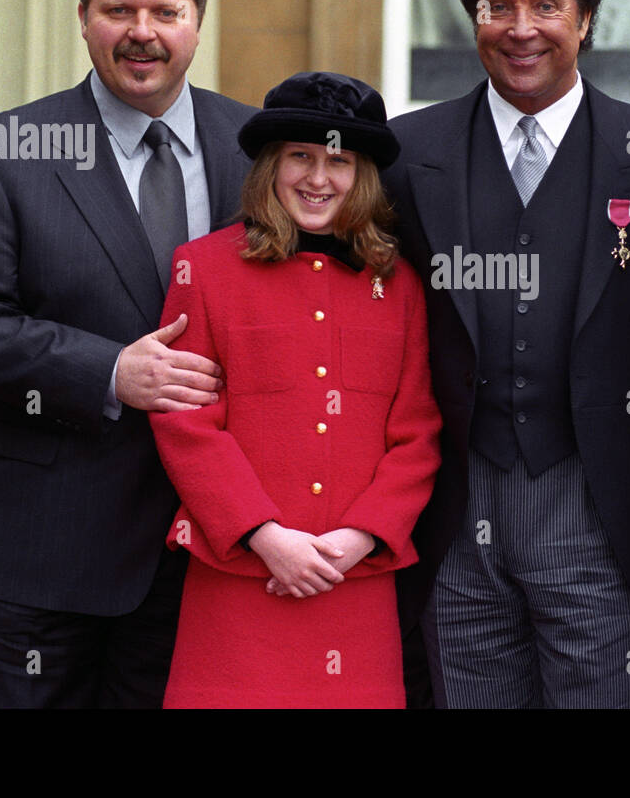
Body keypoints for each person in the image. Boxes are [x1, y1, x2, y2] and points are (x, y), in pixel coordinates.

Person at [0, 0, 257, 707]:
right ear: (83, 18)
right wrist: (109, 370)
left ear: (197, 23)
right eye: (119, 10)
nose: (143, 33)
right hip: (43, 558)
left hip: (203, 554)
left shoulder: (261, 151)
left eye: (165, 12)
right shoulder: (1, 153)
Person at [382, 0, 630, 708]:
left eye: (546, 5)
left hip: (597, 507)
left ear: (587, 17)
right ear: (473, 17)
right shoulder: (407, 157)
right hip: (458, 509)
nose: (521, 27)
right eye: (499, 6)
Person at [149, 72, 440, 708]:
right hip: (239, 581)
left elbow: (417, 432)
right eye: (300, 157)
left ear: (362, 175)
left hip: (354, 581)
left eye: (339, 161)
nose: (318, 178)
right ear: (269, 167)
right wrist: (265, 535)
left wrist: (362, 535)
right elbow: (186, 423)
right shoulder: (203, 268)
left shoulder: (398, 286)